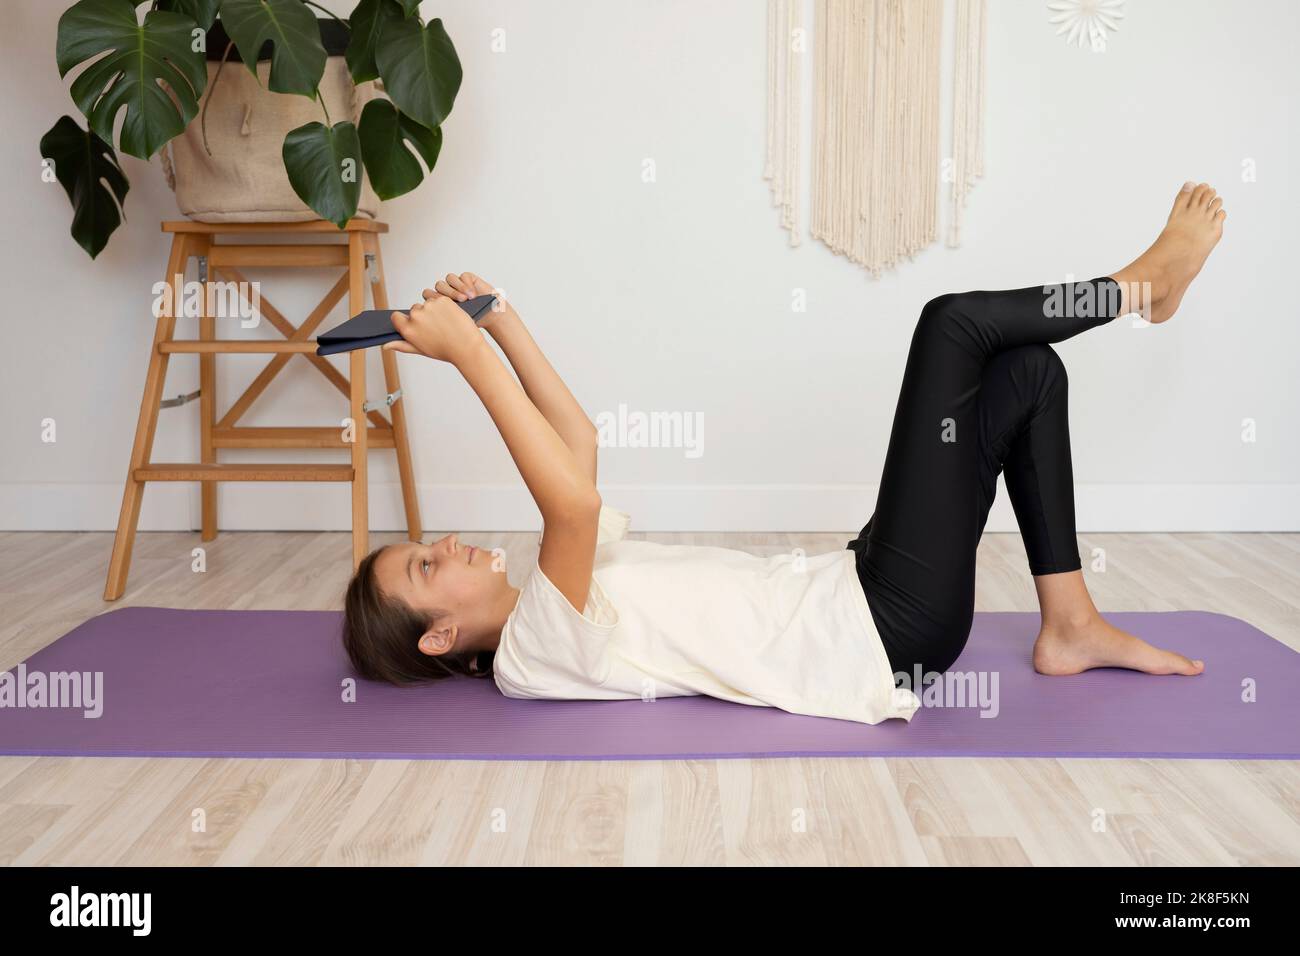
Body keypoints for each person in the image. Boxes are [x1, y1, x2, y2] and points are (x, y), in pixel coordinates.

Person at [341, 181, 1225, 724]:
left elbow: (578, 446)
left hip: (855, 583)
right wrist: (463, 358)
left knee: (1027, 374)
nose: (446, 542)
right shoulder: (536, 650)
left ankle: (1068, 624)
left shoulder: (557, 591)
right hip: (883, 634)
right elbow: (565, 504)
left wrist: (499, 322)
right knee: (952, 325)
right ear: (442, 639)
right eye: (425, 566)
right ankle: (1144, 285)